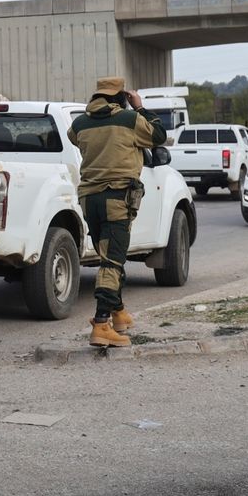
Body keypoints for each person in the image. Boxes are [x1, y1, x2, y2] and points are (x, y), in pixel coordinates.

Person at [68, 76, 165, 348]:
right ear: (121, 97)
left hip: (89, 199)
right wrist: (139, 107)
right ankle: (101, 324)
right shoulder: (129, 120)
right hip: (117, 198)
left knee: (108, 254)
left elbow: (74, 138)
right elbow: (158, 135)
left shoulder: (79, 124)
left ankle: (119, 313)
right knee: (112, 260)